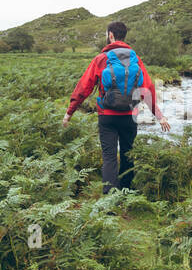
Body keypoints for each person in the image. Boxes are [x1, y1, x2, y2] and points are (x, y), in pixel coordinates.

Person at [62, 21, 170, 193]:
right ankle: (126, 192)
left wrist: (69, 113)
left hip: (107, 115)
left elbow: (84, 87)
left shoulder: (101, 59)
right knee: (128, 154)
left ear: (110, 35)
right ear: (124, 36)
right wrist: (159, 115)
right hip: (130, 114)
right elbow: (147, 88)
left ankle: (110, 201)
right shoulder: (135, 58)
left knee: (110, 157)